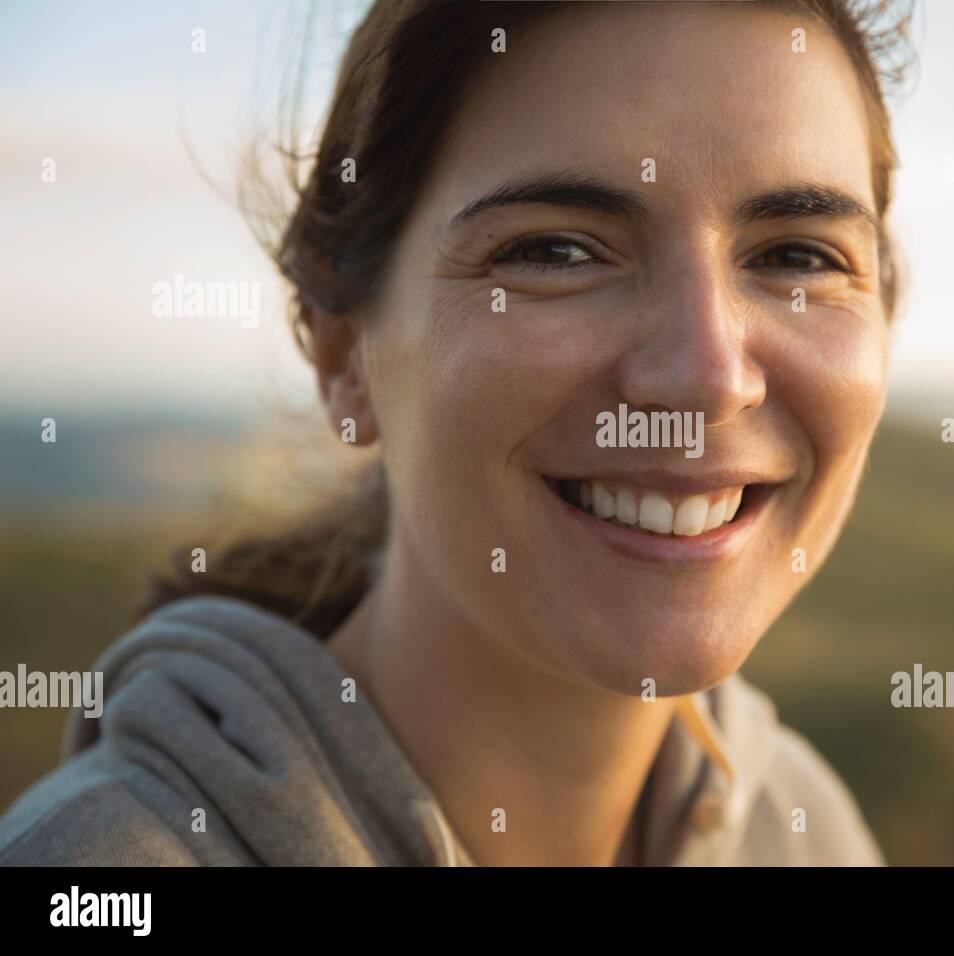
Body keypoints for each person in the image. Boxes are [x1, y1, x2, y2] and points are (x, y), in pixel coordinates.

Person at [0, 0, 907, 866]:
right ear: (343, 350)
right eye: (555, 251)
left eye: (797, 257)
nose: (706, 377)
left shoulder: (805, 826)